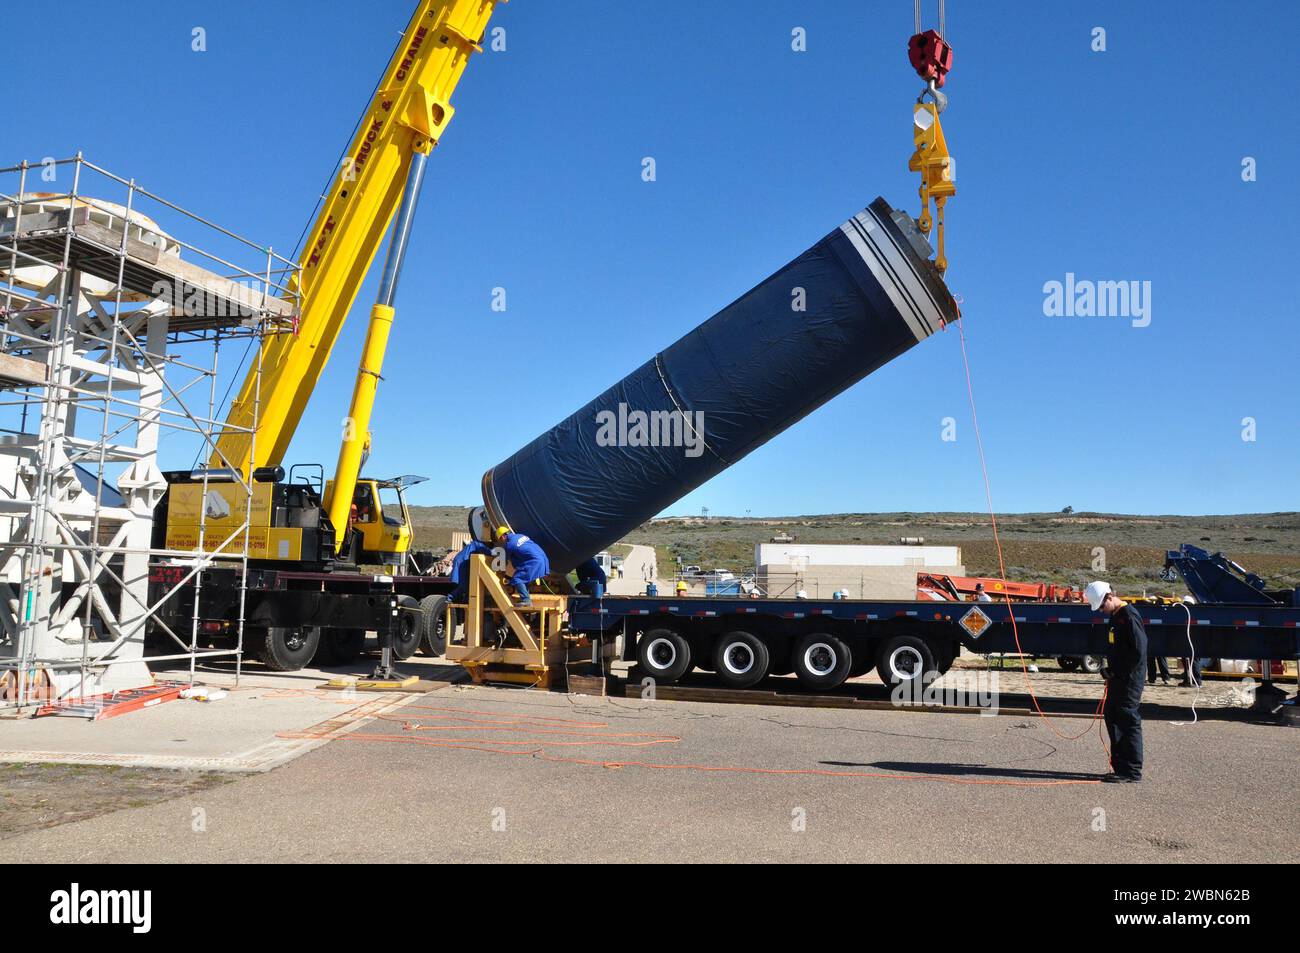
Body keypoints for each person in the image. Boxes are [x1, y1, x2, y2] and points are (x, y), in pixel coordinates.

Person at [1085, 580, 1147, 783]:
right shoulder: (1115, 616)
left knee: (1128, 720)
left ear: (1110, 596)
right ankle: (1119, 767)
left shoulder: (1129, 616)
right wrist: (1110, 669)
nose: (1101, 610)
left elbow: (1138, 652)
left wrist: (1118, 671)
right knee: (1112, 717)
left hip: (1129, 680)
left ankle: (1132, 772)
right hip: (1117, 678)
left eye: (1102, 606)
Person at [495, 526, 549, 607]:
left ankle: (526, 600)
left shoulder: (510, 544)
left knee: (517, 579)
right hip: (543, 559)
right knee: (523, 577)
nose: (502, 542)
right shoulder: (520, 536)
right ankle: (526, 598)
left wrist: (497, 566)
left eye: (500, 539)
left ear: (503, 536)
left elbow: (504, 560)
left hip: (534, 562)